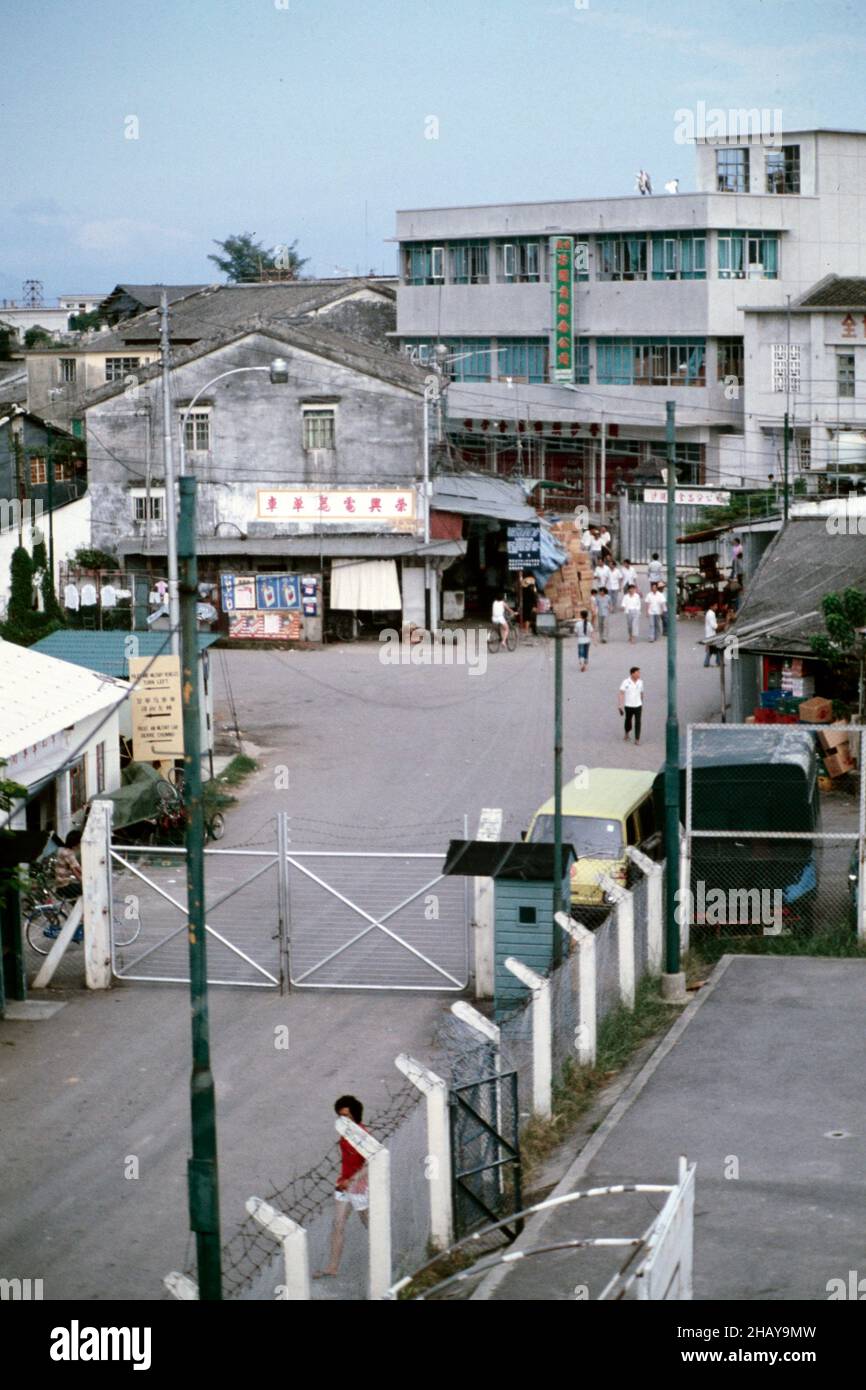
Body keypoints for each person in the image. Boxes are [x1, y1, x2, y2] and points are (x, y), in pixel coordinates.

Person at [315, 1095, 370, 1279]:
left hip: (359, 1186)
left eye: (348, 1115)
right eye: (341, 1116)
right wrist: (343, 1181)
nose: (344, 1119)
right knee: (337, 1225)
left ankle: (385, 1255)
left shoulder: (362, 1134)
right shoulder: (345, 1133)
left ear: (355, 1114)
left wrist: (352, 1181)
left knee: (370, 1223)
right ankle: (332, 1267)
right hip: (344, 1184)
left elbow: (371, 1163)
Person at [618, 666, 644, 744]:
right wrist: (620, 704)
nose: (639, 674)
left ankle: (637, 739)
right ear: (632, 673)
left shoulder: (640, 682)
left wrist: (642, 703)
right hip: (628, 705)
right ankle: (627, 732)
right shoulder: (625, 682)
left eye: (639, 672)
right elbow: (621, 693)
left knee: (638, 722)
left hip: (638, 705)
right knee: (628, 720)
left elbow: (642, 693)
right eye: (637, 672)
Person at [54, 830, 83, 899]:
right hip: (64, 886)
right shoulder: (68, 854)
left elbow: (74, 870)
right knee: (87, 890)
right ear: (77, 843)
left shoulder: (64, 850)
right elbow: (78, 869)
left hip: (62, 885)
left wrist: (82, 880)